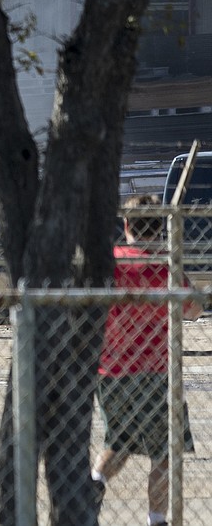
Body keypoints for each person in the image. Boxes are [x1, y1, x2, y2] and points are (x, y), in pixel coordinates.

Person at [91, 194, 204, 526]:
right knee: (164, 452)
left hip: (112, 368)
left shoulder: (110, 262)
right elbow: (195, 309)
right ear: (162, 226)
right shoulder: (167, 266)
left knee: (120, 440)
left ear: (126, 225)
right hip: (157, 370)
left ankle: (95, 483)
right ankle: (157, 519)